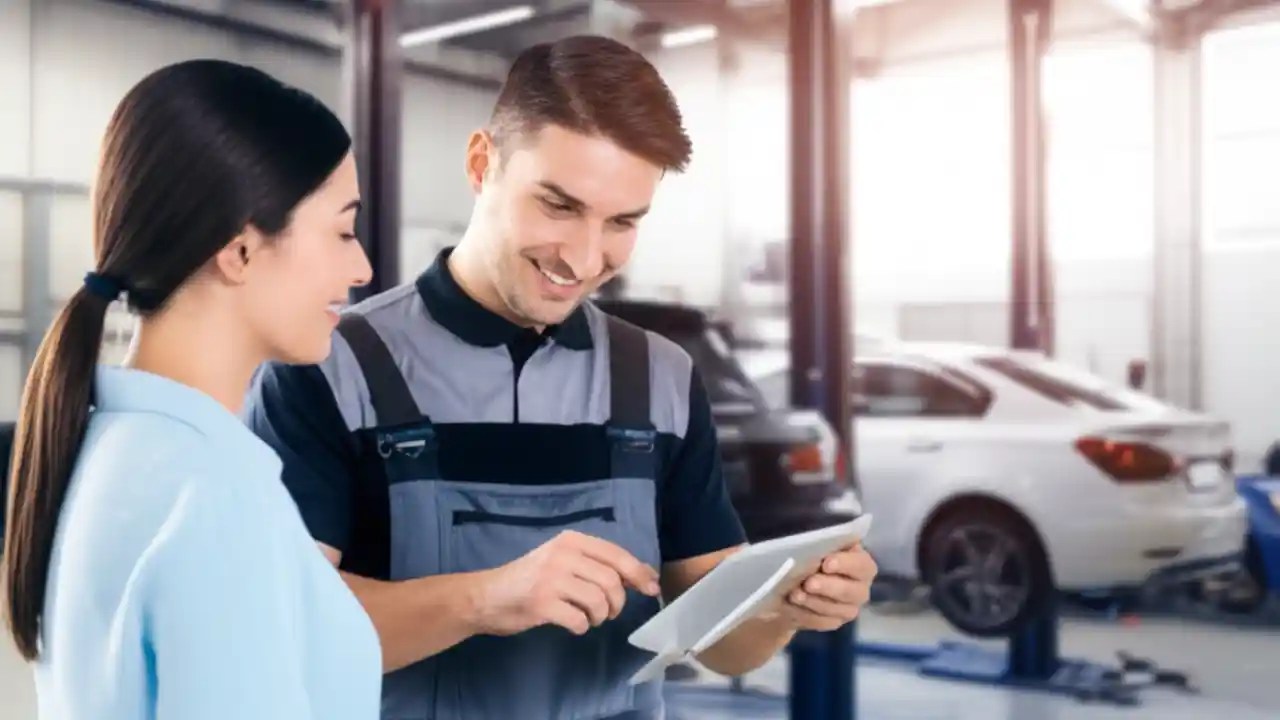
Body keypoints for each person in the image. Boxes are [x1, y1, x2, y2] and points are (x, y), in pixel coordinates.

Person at [245, 35, 876, 720]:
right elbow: (286, 632)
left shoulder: (661, 377)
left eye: (622, 222)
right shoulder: (328, 367)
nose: (583, 257)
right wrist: (487, 598)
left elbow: (721, 646)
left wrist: (786, 606)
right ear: (482, 163)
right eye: (559, 206)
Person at [1, 59, 381, 720]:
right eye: (343, 231)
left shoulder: (109, 444)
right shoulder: (213, 491)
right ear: (238, 252)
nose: (362, 267)